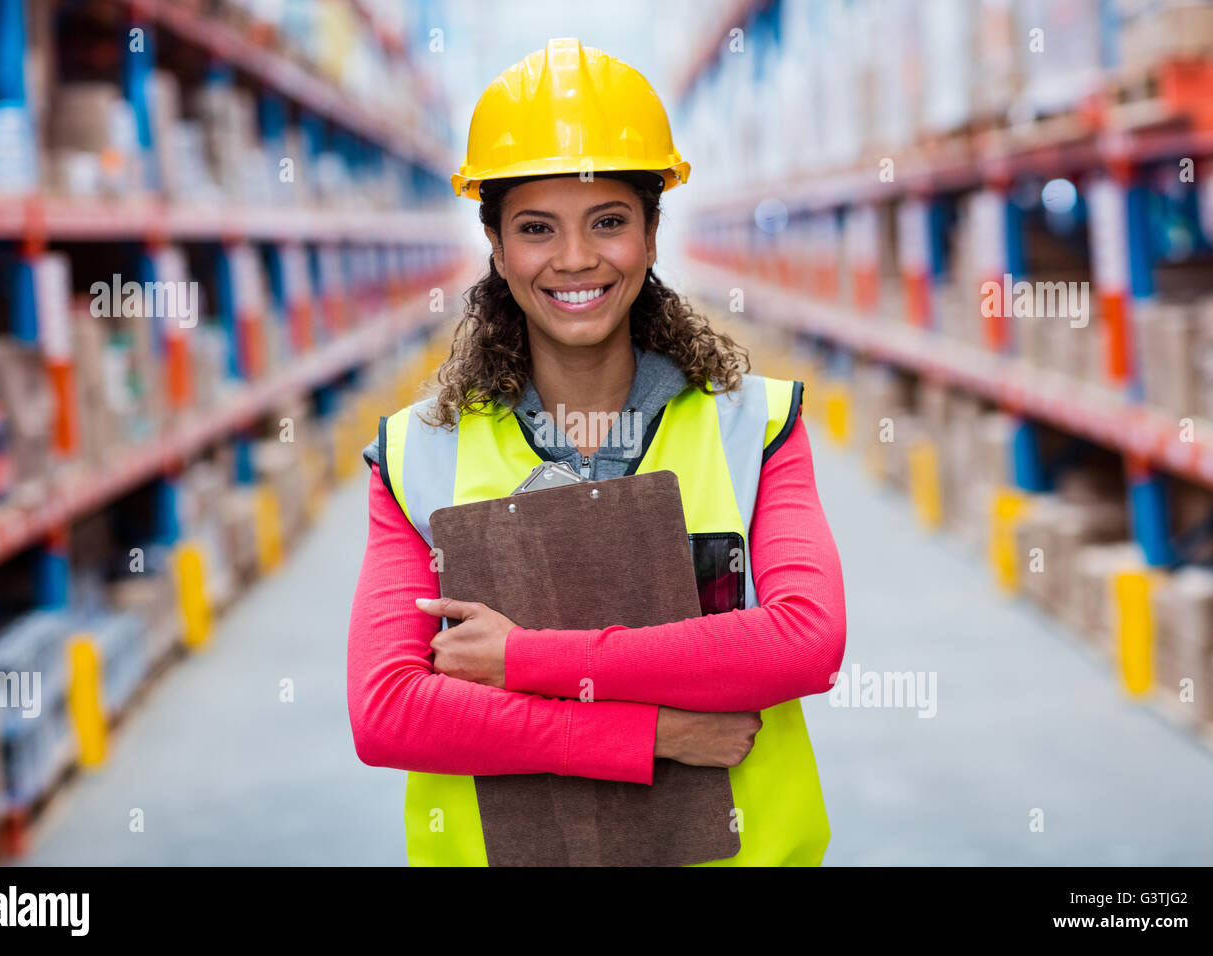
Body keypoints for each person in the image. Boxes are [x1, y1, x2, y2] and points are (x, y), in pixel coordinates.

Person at [346, 38, 846, 867]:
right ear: (498, 249)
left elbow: (805, 641)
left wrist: (518, 660)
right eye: (537, 229)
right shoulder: (417, 454)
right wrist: (652, 735)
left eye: (608, 222)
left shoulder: (753, 425)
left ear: (651, 233)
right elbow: (389, 711)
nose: (575, 259)